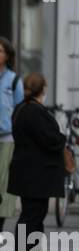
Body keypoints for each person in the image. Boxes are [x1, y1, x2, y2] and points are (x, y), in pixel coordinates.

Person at [8, 74, 67, 251]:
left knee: (32, 213)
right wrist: (62, 138)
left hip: (26, 170)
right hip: (37, 172)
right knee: (33, 214)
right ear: (43, 89)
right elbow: (50, 139)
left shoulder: (20, 109)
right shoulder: (35, 111)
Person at [0, 37, 23, 230]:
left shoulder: (13, 80)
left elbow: (20, 110)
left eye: (0, 51)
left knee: (4, 183)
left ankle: (1, 221)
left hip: (7, 137)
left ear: (7, 55)